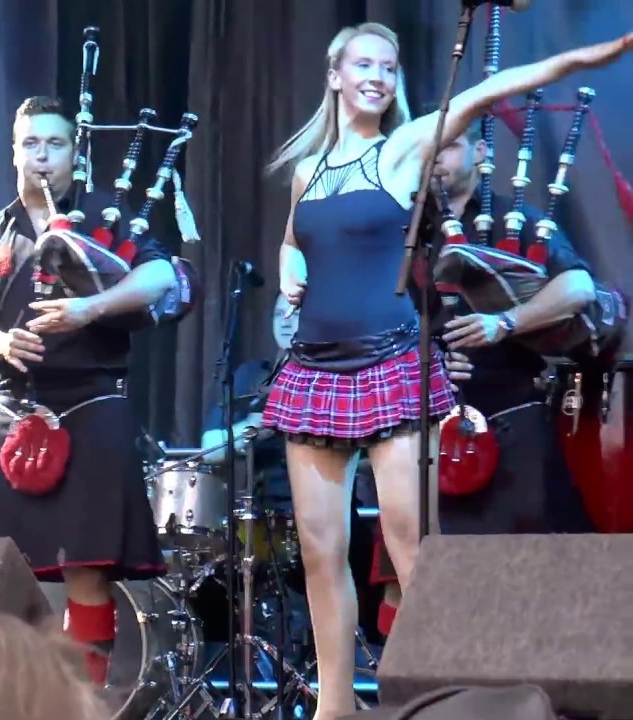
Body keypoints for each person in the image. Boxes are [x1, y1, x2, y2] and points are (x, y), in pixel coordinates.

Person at [263, 22, 632, 718]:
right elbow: (294, 242)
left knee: (411, 546)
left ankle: (450, 699)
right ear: (335, 74)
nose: (377, 75)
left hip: (389, 362)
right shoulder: (310, 169)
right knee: (321, 550)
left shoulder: (405, 149)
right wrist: (291, 277)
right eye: (363, 63)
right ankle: (334, 707)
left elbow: (493, 88)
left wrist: (595, 55)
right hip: (314, 370)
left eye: (389, 66)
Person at [0, 96, 175, 687]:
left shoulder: (103, 214)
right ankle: (20, 698)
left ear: (74, 154)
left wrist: (90, 308)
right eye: (31, 144)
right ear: (14, 151)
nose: (43, 156)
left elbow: (161, 276)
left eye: (55, 144)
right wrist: (3, 344)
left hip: (92, 400)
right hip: (15, 406)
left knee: (87, 571)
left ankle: (84, 703)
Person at [371, 123, 597, 634]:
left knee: (524, 590)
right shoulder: (403, 235)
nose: (435, 158)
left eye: (448, 145)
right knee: (418, 591)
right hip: (422, 435)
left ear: (481, 151)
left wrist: (505, 323)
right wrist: (421, 364)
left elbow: (578, 286)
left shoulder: (511, 225)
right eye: (427, 149)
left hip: (509, 424)